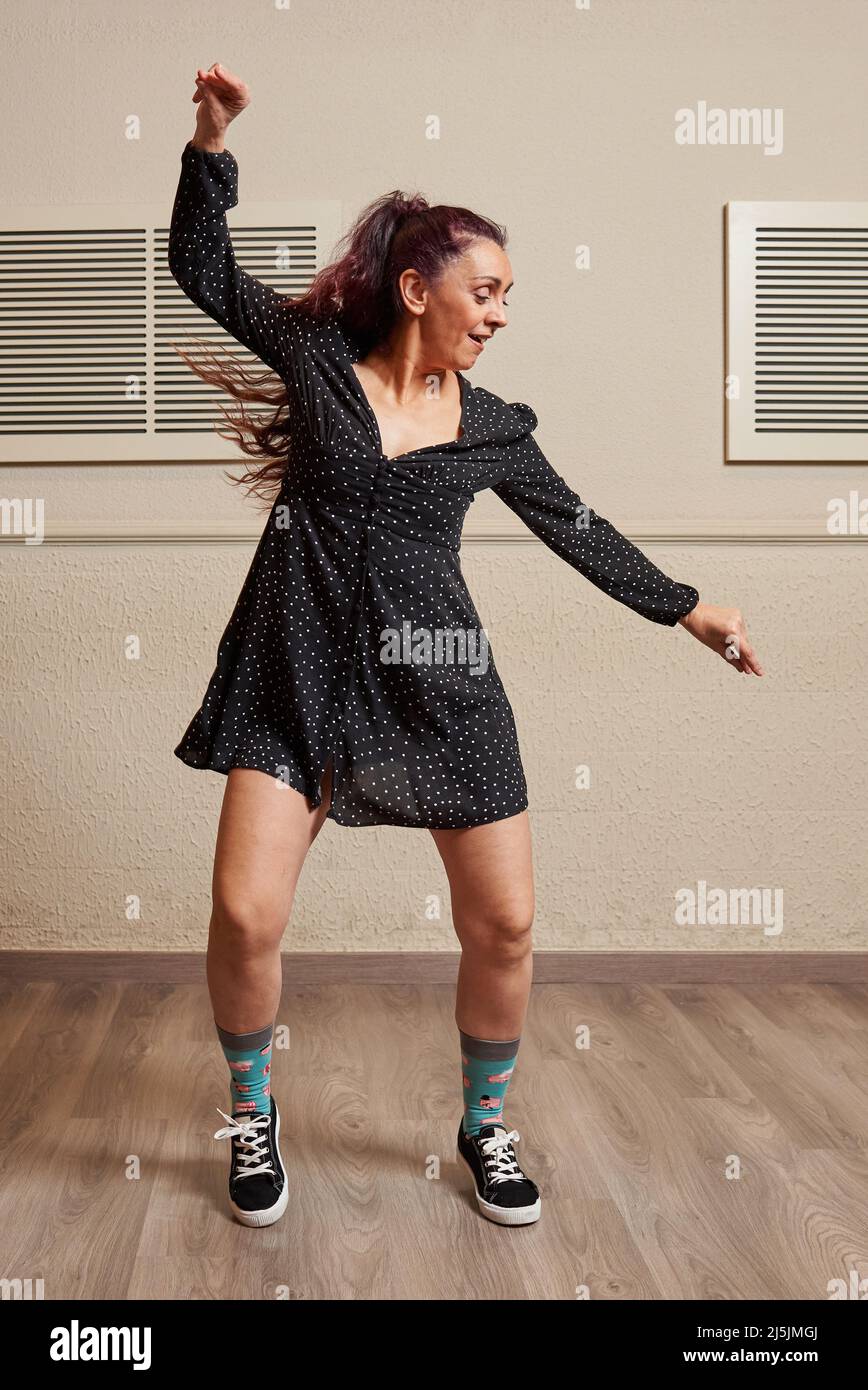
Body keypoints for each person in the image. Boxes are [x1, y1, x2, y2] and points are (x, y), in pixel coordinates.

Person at [169, 63, 764, 1231]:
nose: (499, 311)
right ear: (414, 288)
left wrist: (686, 605)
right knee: (243, 915)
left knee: (505, 923)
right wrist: (209, 144)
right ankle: (252, 1109)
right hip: (294, 680)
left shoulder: (493, 426)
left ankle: (483, 1122)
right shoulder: (317, 367)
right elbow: (201, 270)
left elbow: (575, 527)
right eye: (485, 290)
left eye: (509, 295)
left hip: (444, 689)